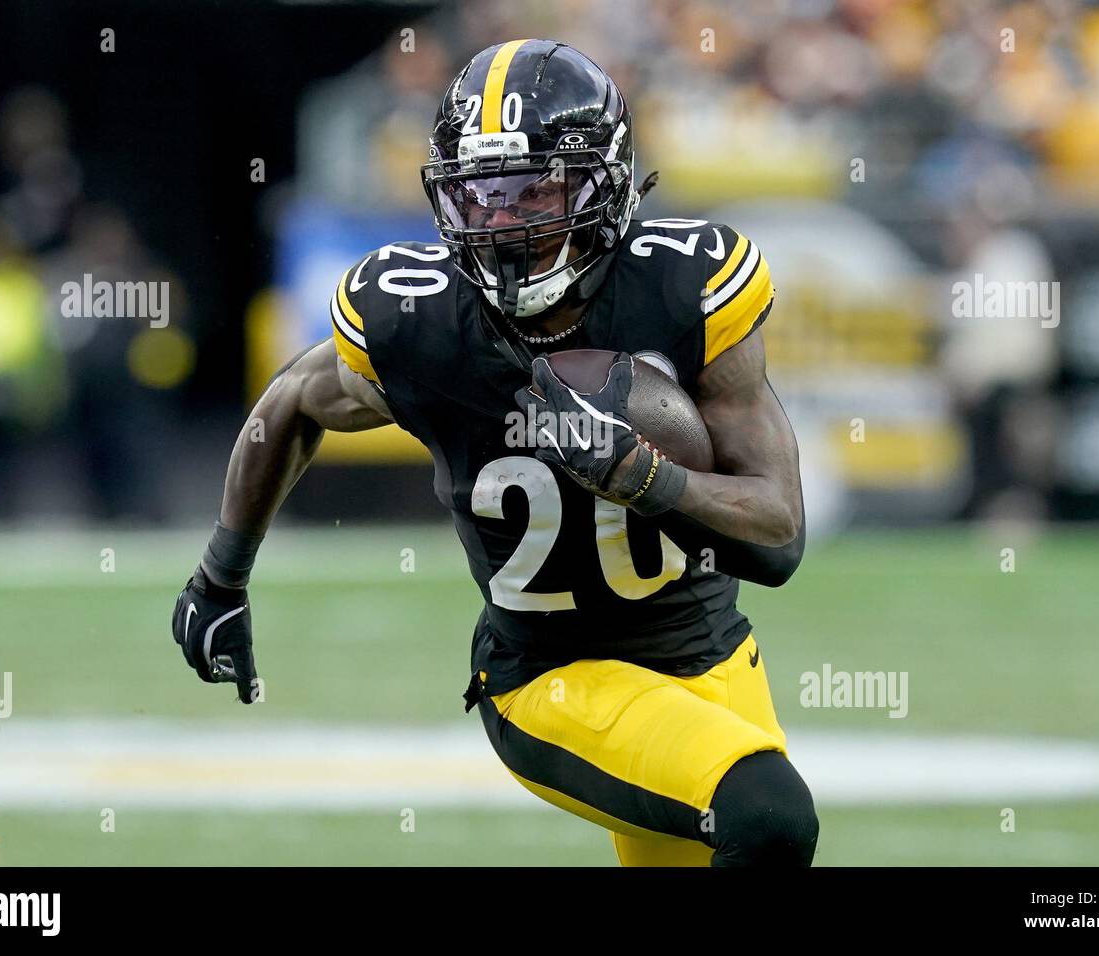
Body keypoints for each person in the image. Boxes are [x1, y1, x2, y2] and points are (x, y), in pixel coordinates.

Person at [171, 39, 815, 866]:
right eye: (482, 197)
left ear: (604, 184)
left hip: (715, 656)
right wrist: (220, 575)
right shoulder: (421, 323)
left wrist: (641, 476)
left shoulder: (681, 290)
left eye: (534, 192)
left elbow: (778, 535)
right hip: (551, 676)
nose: (506, 224)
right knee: (767, 817)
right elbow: (293, 402)